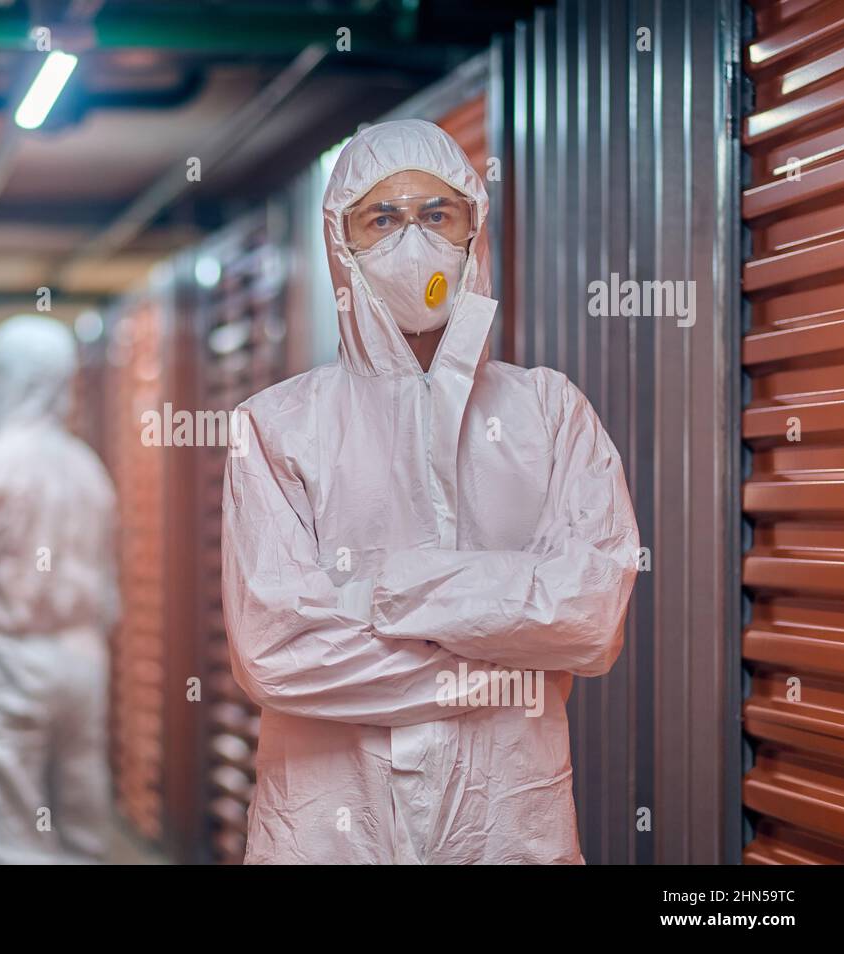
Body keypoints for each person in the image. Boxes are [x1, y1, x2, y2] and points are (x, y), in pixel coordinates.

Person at [220, 120, 639, 864]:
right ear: (339, 241)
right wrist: (509, 655)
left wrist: (389, 588)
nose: (412, 241)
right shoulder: (277, 426)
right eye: (381, 219)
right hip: (328, 826)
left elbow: (590, 618)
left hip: (507, 821)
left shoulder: (547, 411)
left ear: (473, 227)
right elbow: (277, 655)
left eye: (435, 214)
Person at [0, 314, 119, 864]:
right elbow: (108, 591)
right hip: (84, 665)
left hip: (8, 664)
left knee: (10, 834)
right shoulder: (90, 470)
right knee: (82, 827)